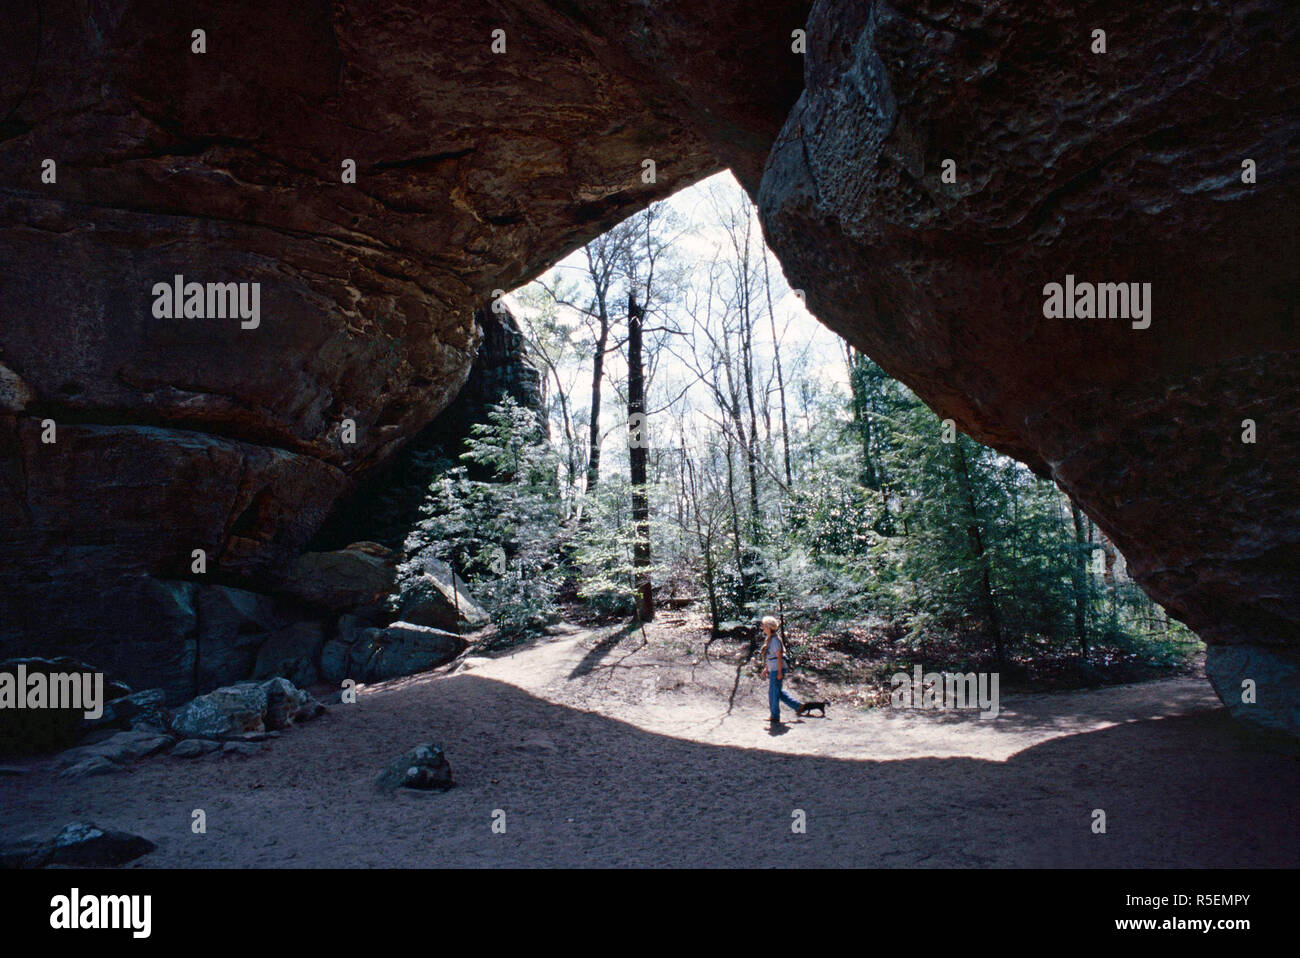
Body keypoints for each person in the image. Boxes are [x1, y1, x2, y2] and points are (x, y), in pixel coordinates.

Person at [761, 615, 802, 724]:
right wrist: (766, 669)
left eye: (764, 626)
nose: (762, 628)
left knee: (773, 693)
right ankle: (798, 706)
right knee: (776, 692)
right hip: (773, 669)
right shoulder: (769, 639)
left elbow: (779, 657)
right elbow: (769, 656)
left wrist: (779, 672)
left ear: (769, 627)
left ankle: (775, 716)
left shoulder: (775, 640)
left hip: (777, 669)